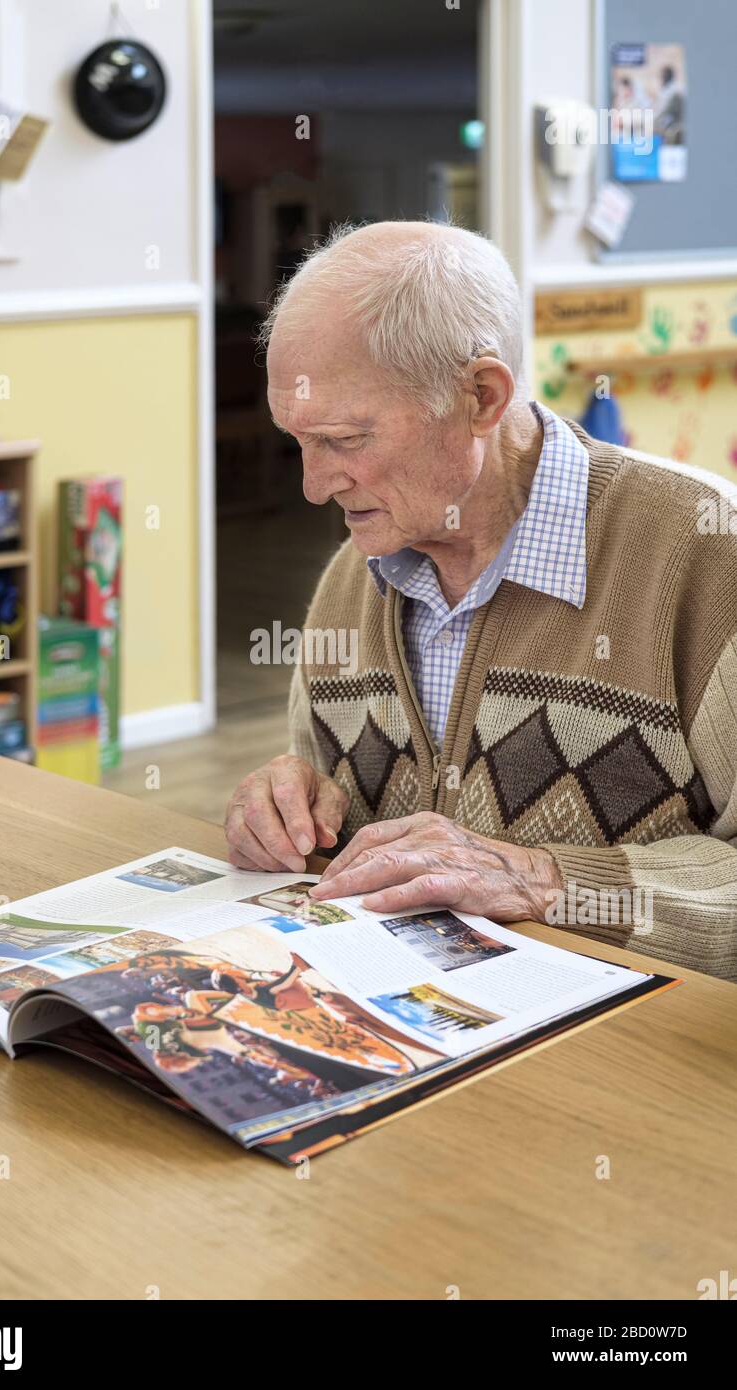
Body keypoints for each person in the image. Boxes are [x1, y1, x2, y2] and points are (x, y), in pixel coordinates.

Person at [224, 220, 737, 981]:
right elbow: (342, 835)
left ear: (481, 397)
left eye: (344, 439)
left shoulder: (706, 554)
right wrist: (289, 809)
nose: (312, 485)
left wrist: (545, 883)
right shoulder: (351, 575)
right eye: (298, 440)